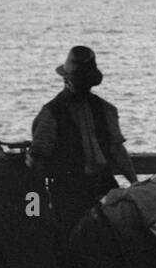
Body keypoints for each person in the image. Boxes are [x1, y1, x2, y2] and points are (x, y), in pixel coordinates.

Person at [29, 46, 139, 235]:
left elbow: (117, 150)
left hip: (103, 185)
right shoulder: (50, 114)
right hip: (68, 190)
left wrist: (135, 184)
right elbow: (38, 162)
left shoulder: (105, 109)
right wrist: (37, 207)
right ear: (66, 80)